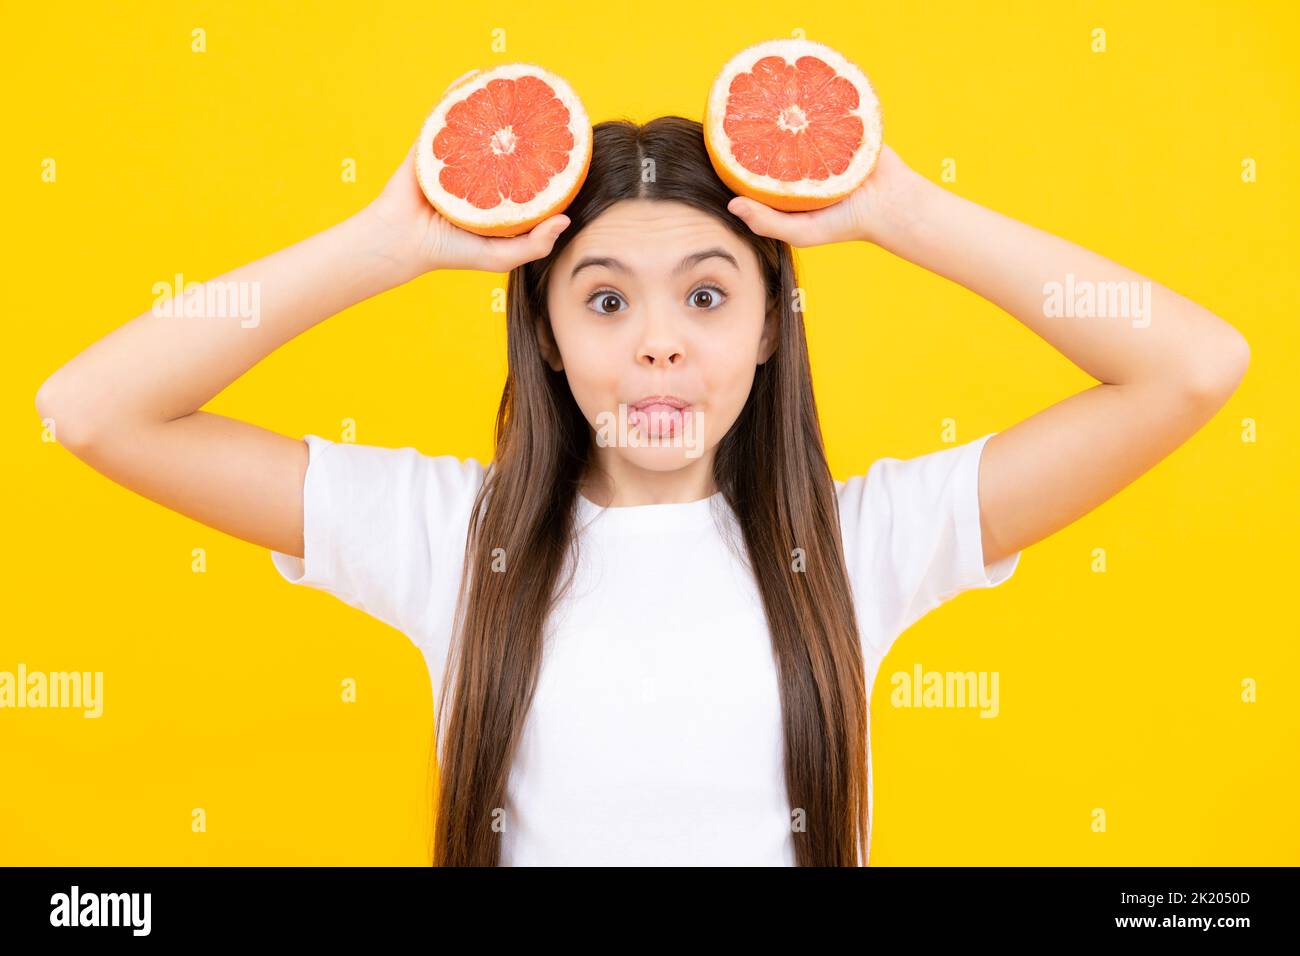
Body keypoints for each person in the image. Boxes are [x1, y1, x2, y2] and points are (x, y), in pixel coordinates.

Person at [35, 115, 1249, 867]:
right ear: (549, 337)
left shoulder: (861, 543)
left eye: (709, 294)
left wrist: (896, 208)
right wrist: (383, 242)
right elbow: (91, 409)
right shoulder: (447, 539)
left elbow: (1194, 366)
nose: (659, 343)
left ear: (772, 328)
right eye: (606, 298)